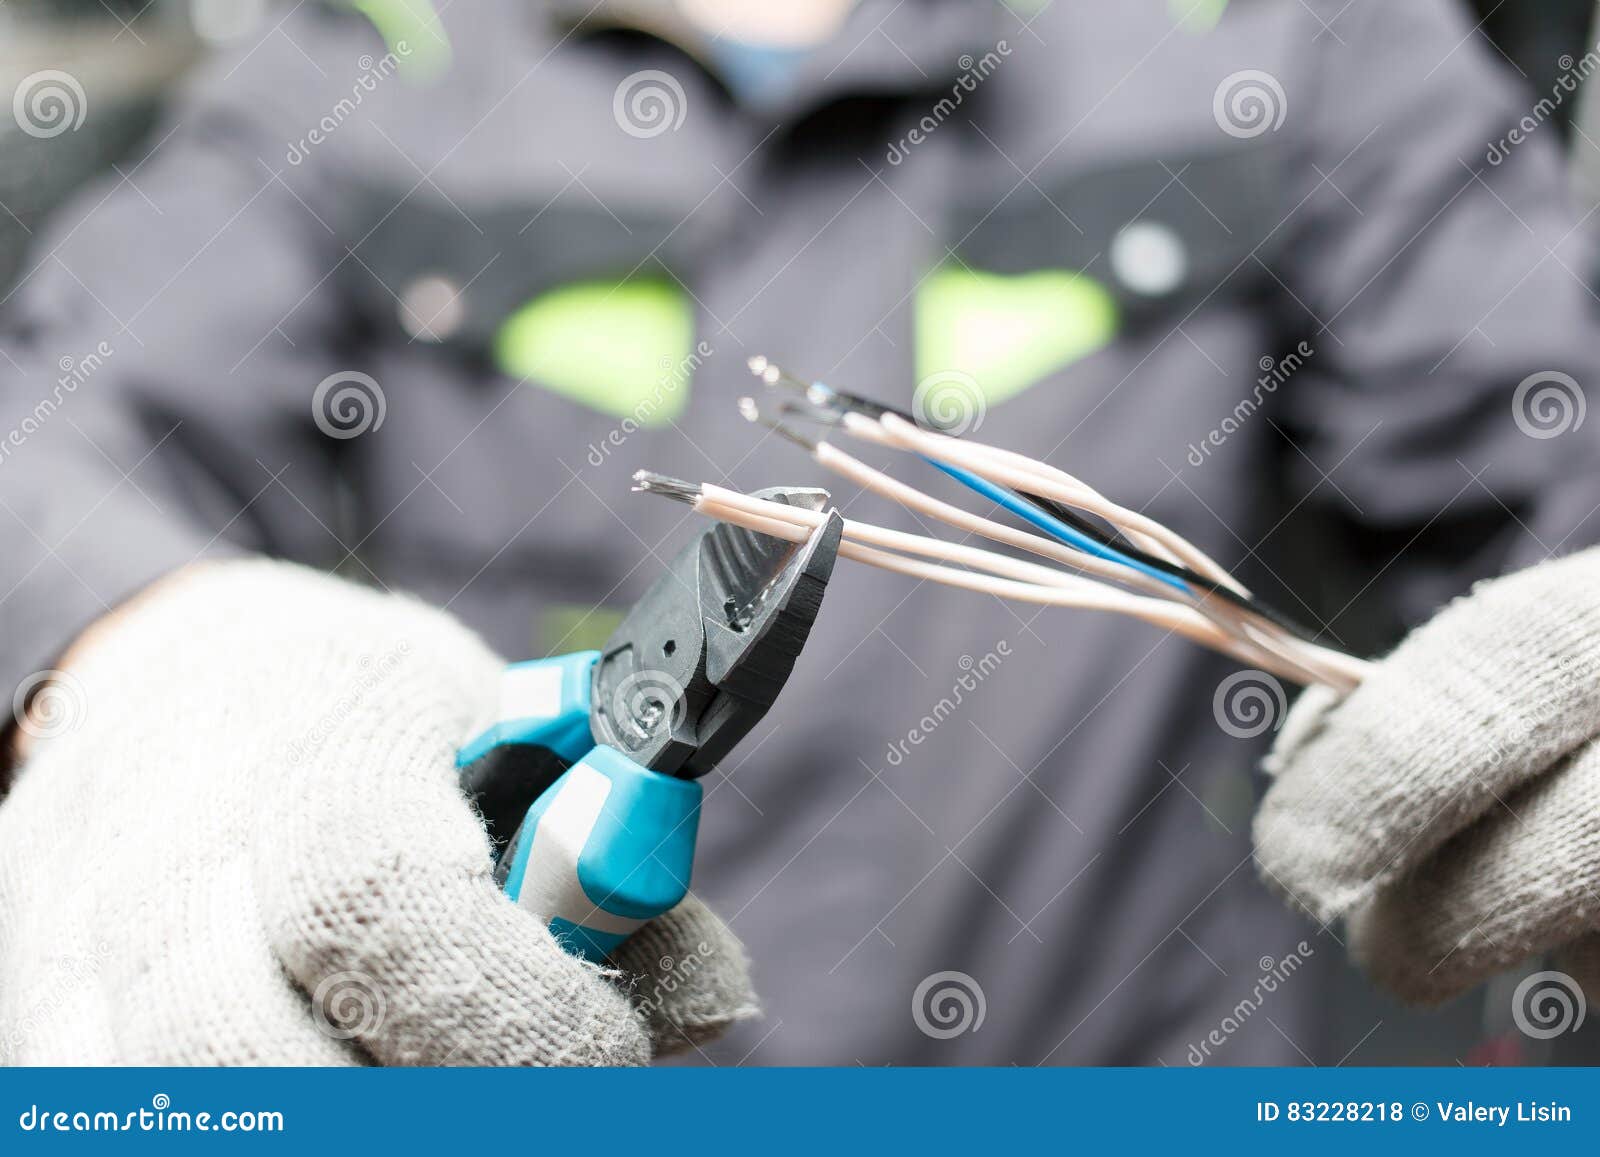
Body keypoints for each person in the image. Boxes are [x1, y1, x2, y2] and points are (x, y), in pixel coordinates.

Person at [3, 0, 1600, 1065]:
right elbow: (52, 437)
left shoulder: (1268, 31)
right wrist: (153, 646)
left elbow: (1558, 421)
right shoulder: (375, 54)